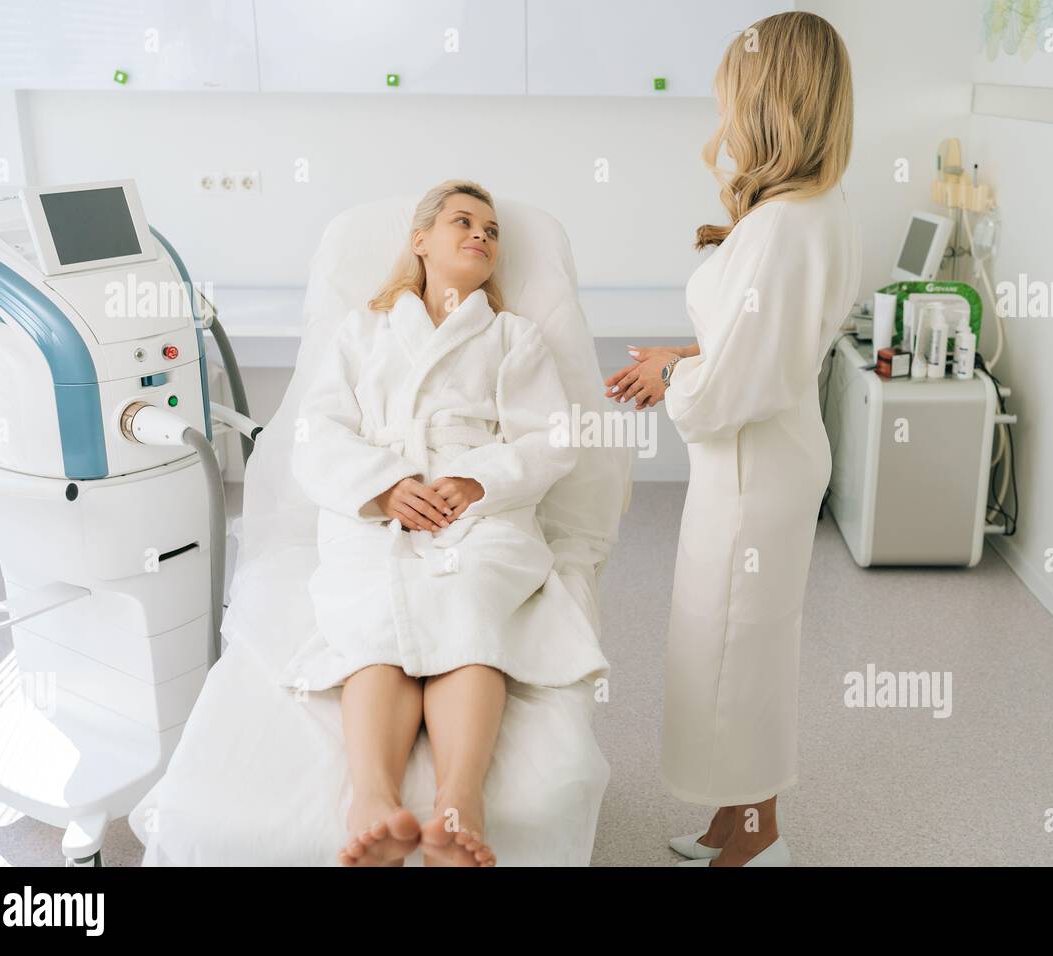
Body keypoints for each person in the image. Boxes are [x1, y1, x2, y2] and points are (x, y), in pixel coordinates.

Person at [280, 180, 608, 866]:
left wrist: (475, 481)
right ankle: (373, 799)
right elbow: (315, 435)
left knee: (467, 601)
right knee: (378, 601)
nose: (483, 236)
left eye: (492, 230)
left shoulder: (513, 337)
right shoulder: (361, 333)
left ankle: (461, 801)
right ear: (420, 240)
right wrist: (383, 487)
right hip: (376, 508)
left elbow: (553, 440)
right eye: (464, 222)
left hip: (479, 509)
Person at [604, 11, 862, 867]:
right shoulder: (805, 210)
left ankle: (758, 843)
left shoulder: (785, 228)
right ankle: (731, 818)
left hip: (753, 466)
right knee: (729, 643)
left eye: (730, 94)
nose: (723, 111)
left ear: (767, 98)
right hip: (764, 459)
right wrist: (688, 354)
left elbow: (725, 396)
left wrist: (675, 377)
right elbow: (763, 349)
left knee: (736, 653)